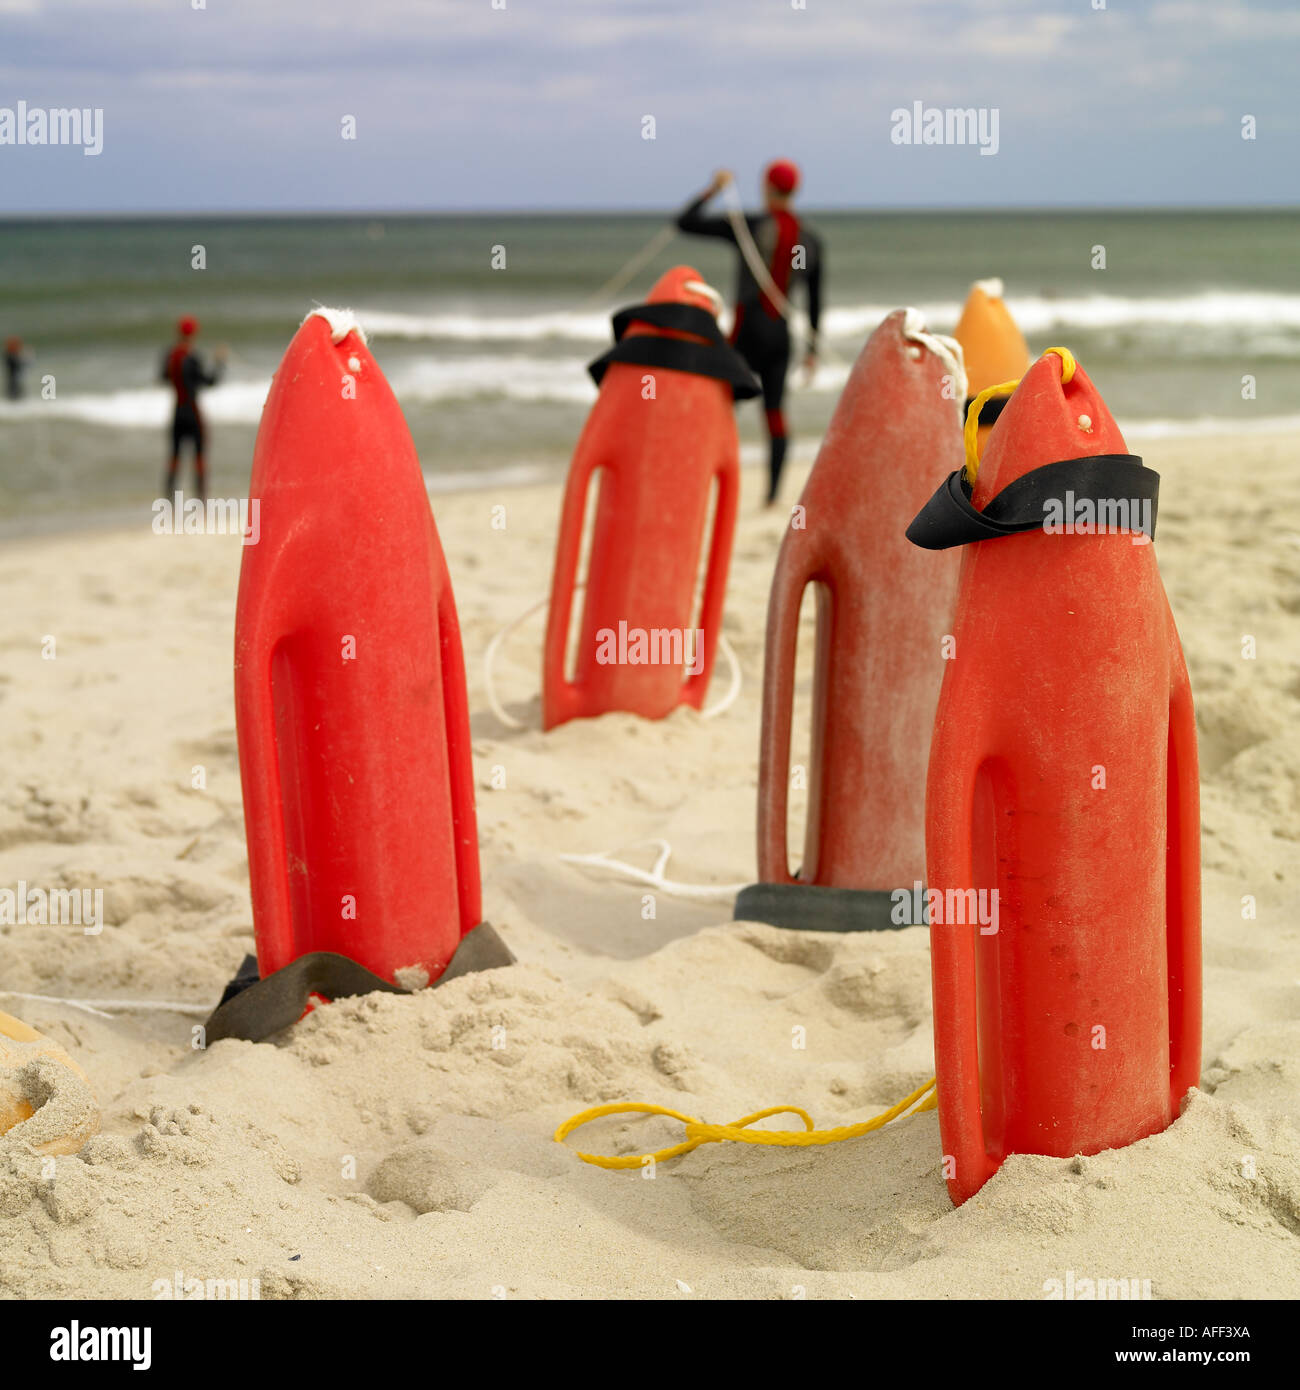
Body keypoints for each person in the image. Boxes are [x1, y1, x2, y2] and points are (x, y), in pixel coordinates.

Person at [677, 161, 823, 505]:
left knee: (720, 408)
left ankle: (700, 480)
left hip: (746, 333)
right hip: (779, 337)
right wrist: (812, 348)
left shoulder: (750, 227)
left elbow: (686, 223)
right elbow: (816, 300)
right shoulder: (810, 243)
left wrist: (713, 189)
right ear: (796, 190)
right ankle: (772, 495)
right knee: (774, 412)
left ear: (767, 187)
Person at [161, 316, 226, 501]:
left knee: (174, 458)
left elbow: (164, 377)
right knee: (199, 458)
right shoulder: (192, 358)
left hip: (177, 412)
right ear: (193, 334)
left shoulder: (170, 356)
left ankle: (169, 501)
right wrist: (220, 362)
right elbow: (210, 381)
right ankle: (201, 501)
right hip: (193, 412)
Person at [4, 336, 31, 401]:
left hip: (15, 380)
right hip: (13, 380)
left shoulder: (10, 355)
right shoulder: (10, 356)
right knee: (15, 394)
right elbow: (19, 363)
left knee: (17, 394)